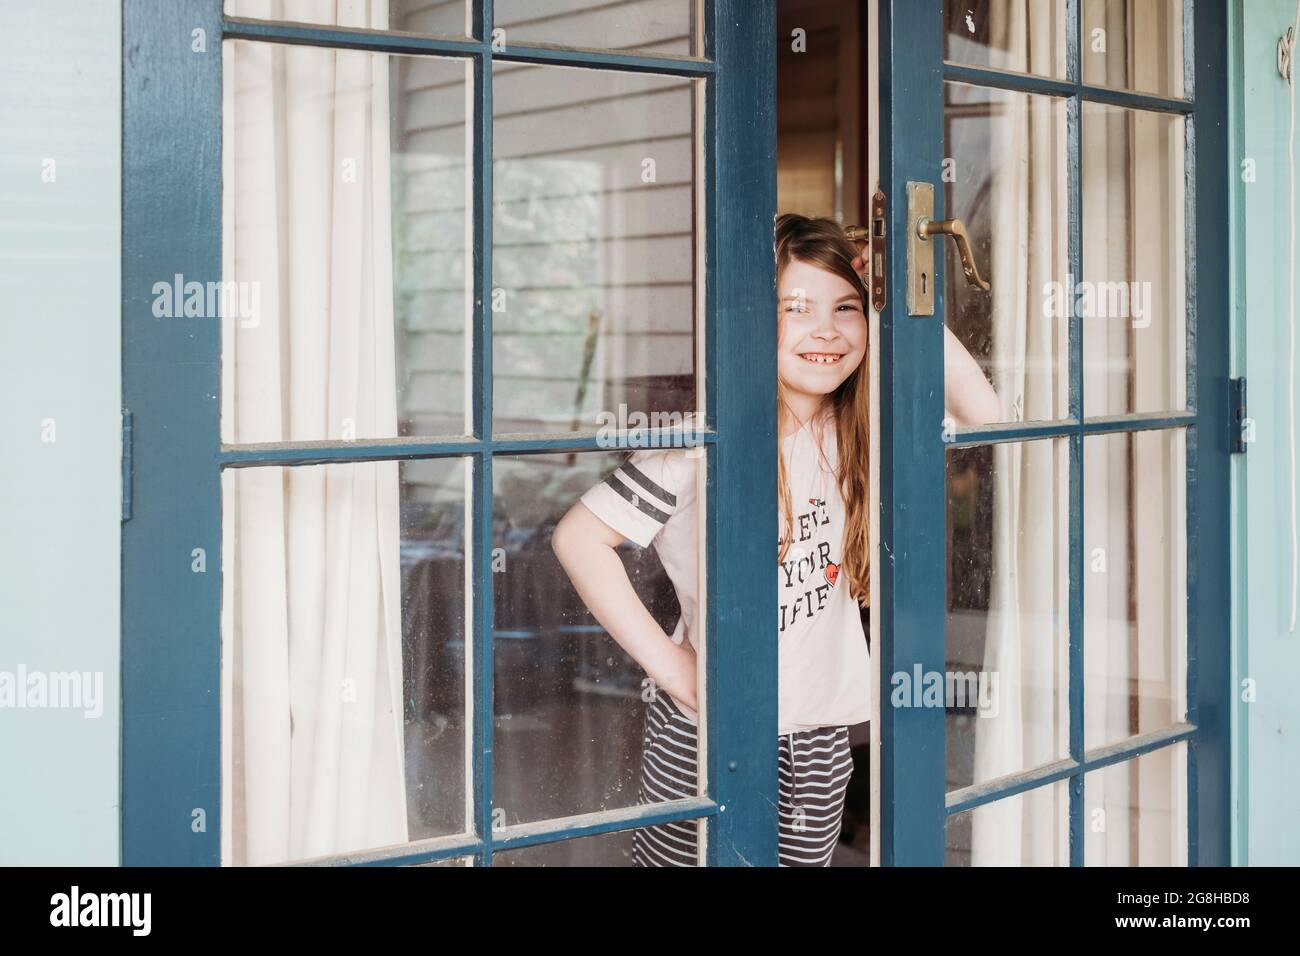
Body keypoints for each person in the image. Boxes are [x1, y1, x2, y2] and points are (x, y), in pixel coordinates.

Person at [550, 213, 1001, 866]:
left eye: (845, 308)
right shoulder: (703, 447)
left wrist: (896, 290)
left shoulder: (860, 433)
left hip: (820, 736)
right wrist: (673, 667)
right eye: (797, 307)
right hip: (709, 733)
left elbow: (982, 417)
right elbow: (579, 539)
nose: (826, 330)